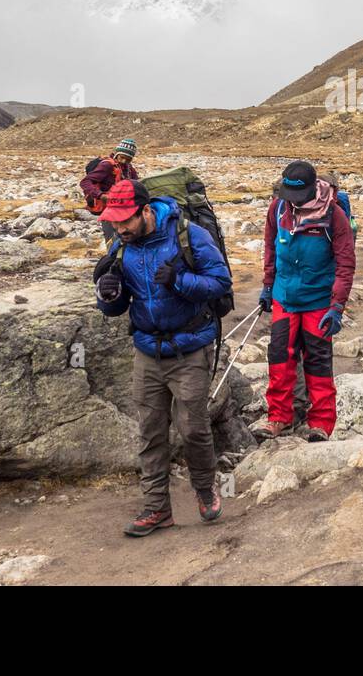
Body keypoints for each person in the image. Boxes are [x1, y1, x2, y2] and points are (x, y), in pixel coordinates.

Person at [92, 179, 233, 536]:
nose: (119, 228)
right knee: (150, 434)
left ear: (144, 211)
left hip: (190, 349)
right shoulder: (120, 248)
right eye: (114, 221)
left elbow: (221, 282)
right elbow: (116, 306)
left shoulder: (189, 235)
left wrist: (180, 280)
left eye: (125, 220)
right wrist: (108, 296)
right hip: (147, 351)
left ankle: (204, 490)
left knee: (193, 429)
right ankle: (157, 510)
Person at [259, 160, 356, 443]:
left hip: (318, 301)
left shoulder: (334, 216)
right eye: (289, 197)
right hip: (284, 297)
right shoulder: (278, 208)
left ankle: (322, 424)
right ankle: (279, 418)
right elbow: (269, 245)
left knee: (318, 361)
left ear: (314, 189)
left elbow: (345, 264)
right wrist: (267, 285)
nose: (293, 203)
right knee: (279, 357)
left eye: (298, 198)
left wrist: (337, 306)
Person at [81, 138, 141, 242]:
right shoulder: (107, 165)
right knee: (112, 240)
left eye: (128, 159)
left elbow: (137, 184)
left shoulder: (129, 168)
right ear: (117, 153)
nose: (124, 161)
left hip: (123, 209)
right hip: (108, 209)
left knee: (125, 239)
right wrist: (101, 195)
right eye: (122, 157)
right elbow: (85, 182)